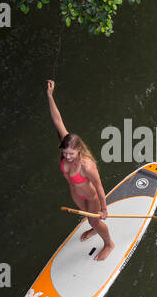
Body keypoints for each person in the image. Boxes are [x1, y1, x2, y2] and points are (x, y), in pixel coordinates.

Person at [47, 79, 114, 261]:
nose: (67, 157)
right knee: (91, 221)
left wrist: (104, 208)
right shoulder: (67, 142)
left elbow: (99, 187)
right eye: (64, 153)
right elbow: (57, 119)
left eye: (71, 154)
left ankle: (109, 243)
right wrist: (50, 95)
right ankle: (94, 226)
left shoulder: (87, 165)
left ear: (79, 150)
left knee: (94, 219)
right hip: (76, 195)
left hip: (91, 197)